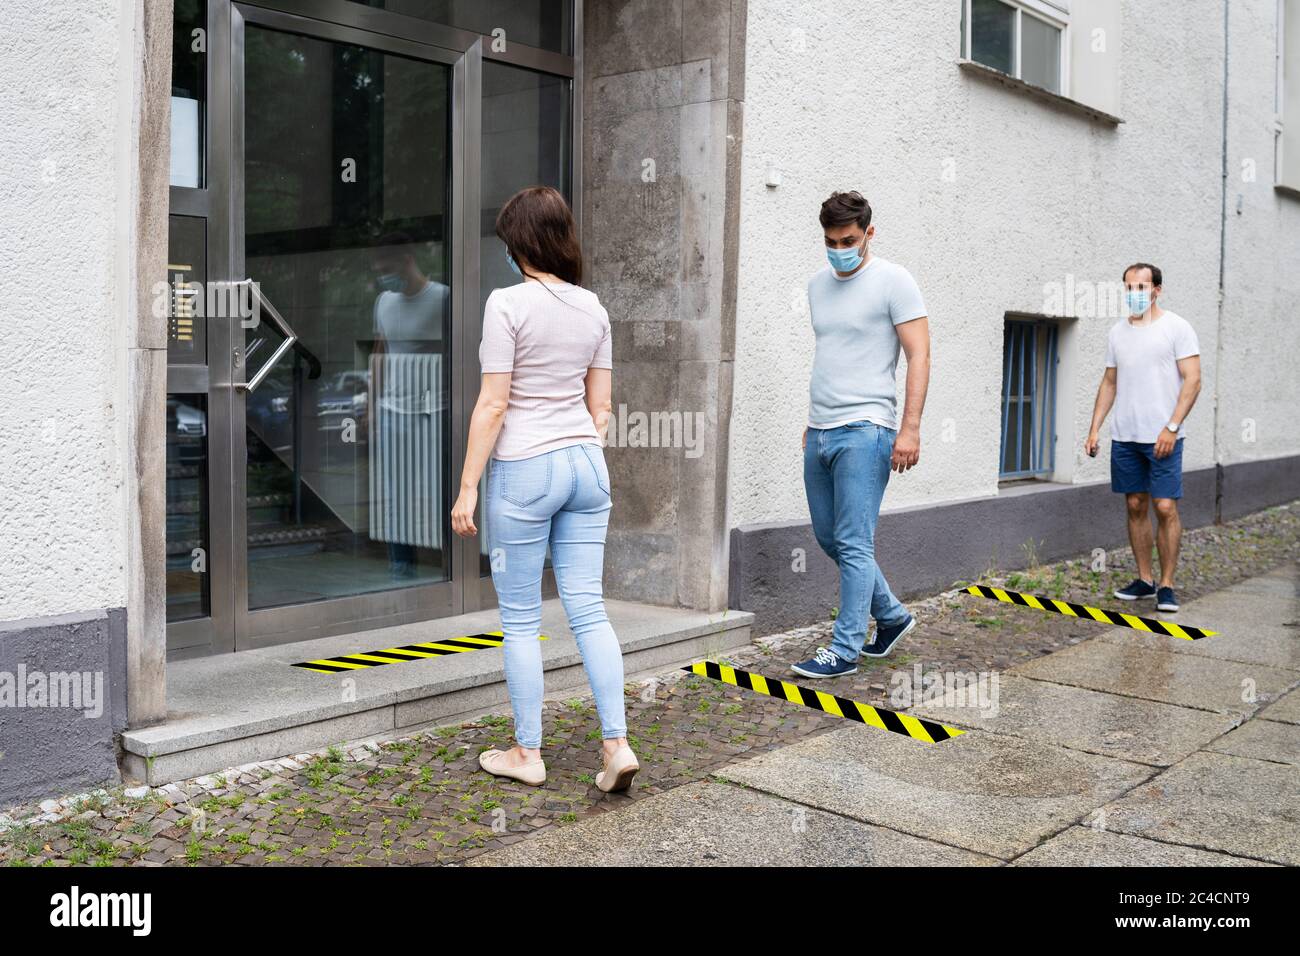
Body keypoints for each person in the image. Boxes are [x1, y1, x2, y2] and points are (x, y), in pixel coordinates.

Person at [450, 185, 638, 792]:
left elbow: (494, 402)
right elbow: (601, 406)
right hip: (586, 464)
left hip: (526, 468)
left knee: (522, 619)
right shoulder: (594, 308)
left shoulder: (506, 304)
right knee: (588, 609)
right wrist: (577, 447)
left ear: (519, 243)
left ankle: (528, 753)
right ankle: (616, 744)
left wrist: (467, 487)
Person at [791, 190, 931, 679]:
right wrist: (812, 423)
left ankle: (844, 648)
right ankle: (891, 615)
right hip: (822, 430)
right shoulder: (817, 285)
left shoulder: (895, 281)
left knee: (853, 542)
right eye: (830, 241)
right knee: (831, 538)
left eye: (848, 239)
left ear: (869, 233)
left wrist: (909, 428)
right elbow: (832, 354)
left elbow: (920, 355)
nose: (838, 248)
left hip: (868, 429)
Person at [1086, 263, 1201, 613]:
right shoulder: (1118, 332)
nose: (1135, 293)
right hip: (1126, 436)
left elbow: (1193, 380)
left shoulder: (1176, 327)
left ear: (1157, 290)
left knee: (1164, 506)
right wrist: (1094, 428)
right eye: (1129, 287)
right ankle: (1145, 579)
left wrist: (1172, 426)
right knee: (1135, 504)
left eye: (1142, 287)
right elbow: (1110, 382)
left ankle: (1167, 585)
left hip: (1164, 436)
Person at [370, 232, 450, 577]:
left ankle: (450, 569)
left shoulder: (444, 298)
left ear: (407, 260)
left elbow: (461, 354)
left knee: (439, 493)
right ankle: (401, 567)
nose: (383, 276)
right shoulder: (384, 302)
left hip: (435, 411)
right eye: (378, 270)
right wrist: (371, 408)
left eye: (387, 267)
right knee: (396, 498)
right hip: (392, 413)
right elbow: (380, 353)